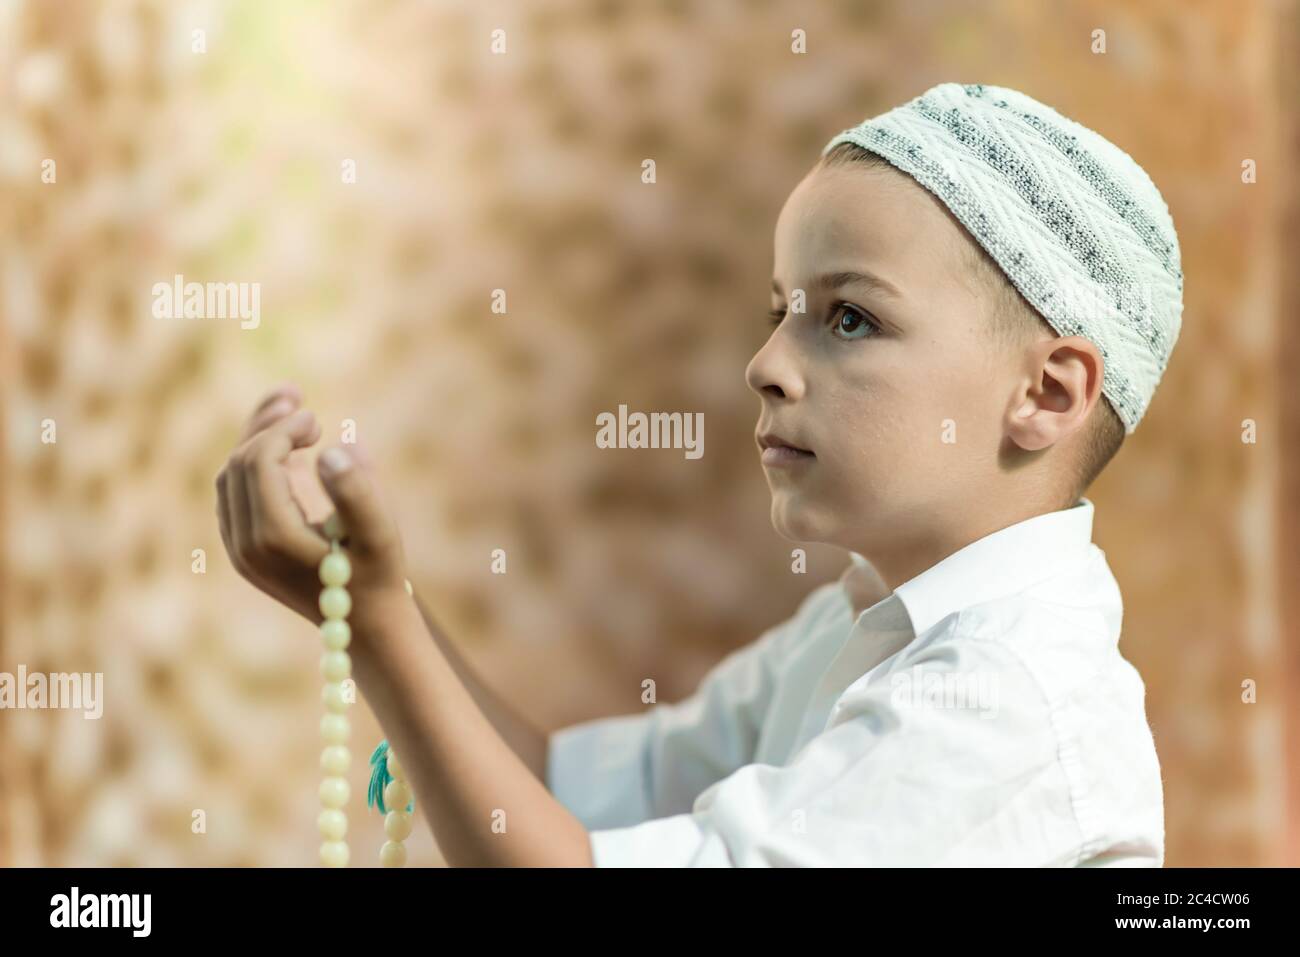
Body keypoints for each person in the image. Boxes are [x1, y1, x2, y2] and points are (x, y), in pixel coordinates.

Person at [215, 83, 1180, 866]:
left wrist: (379, 623)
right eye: (779, 312)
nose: (765, 364)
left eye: (850, 318)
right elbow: (555, 789)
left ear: (1049, 394)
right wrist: (370, 596)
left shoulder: (1007, 698)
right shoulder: (848, 626)